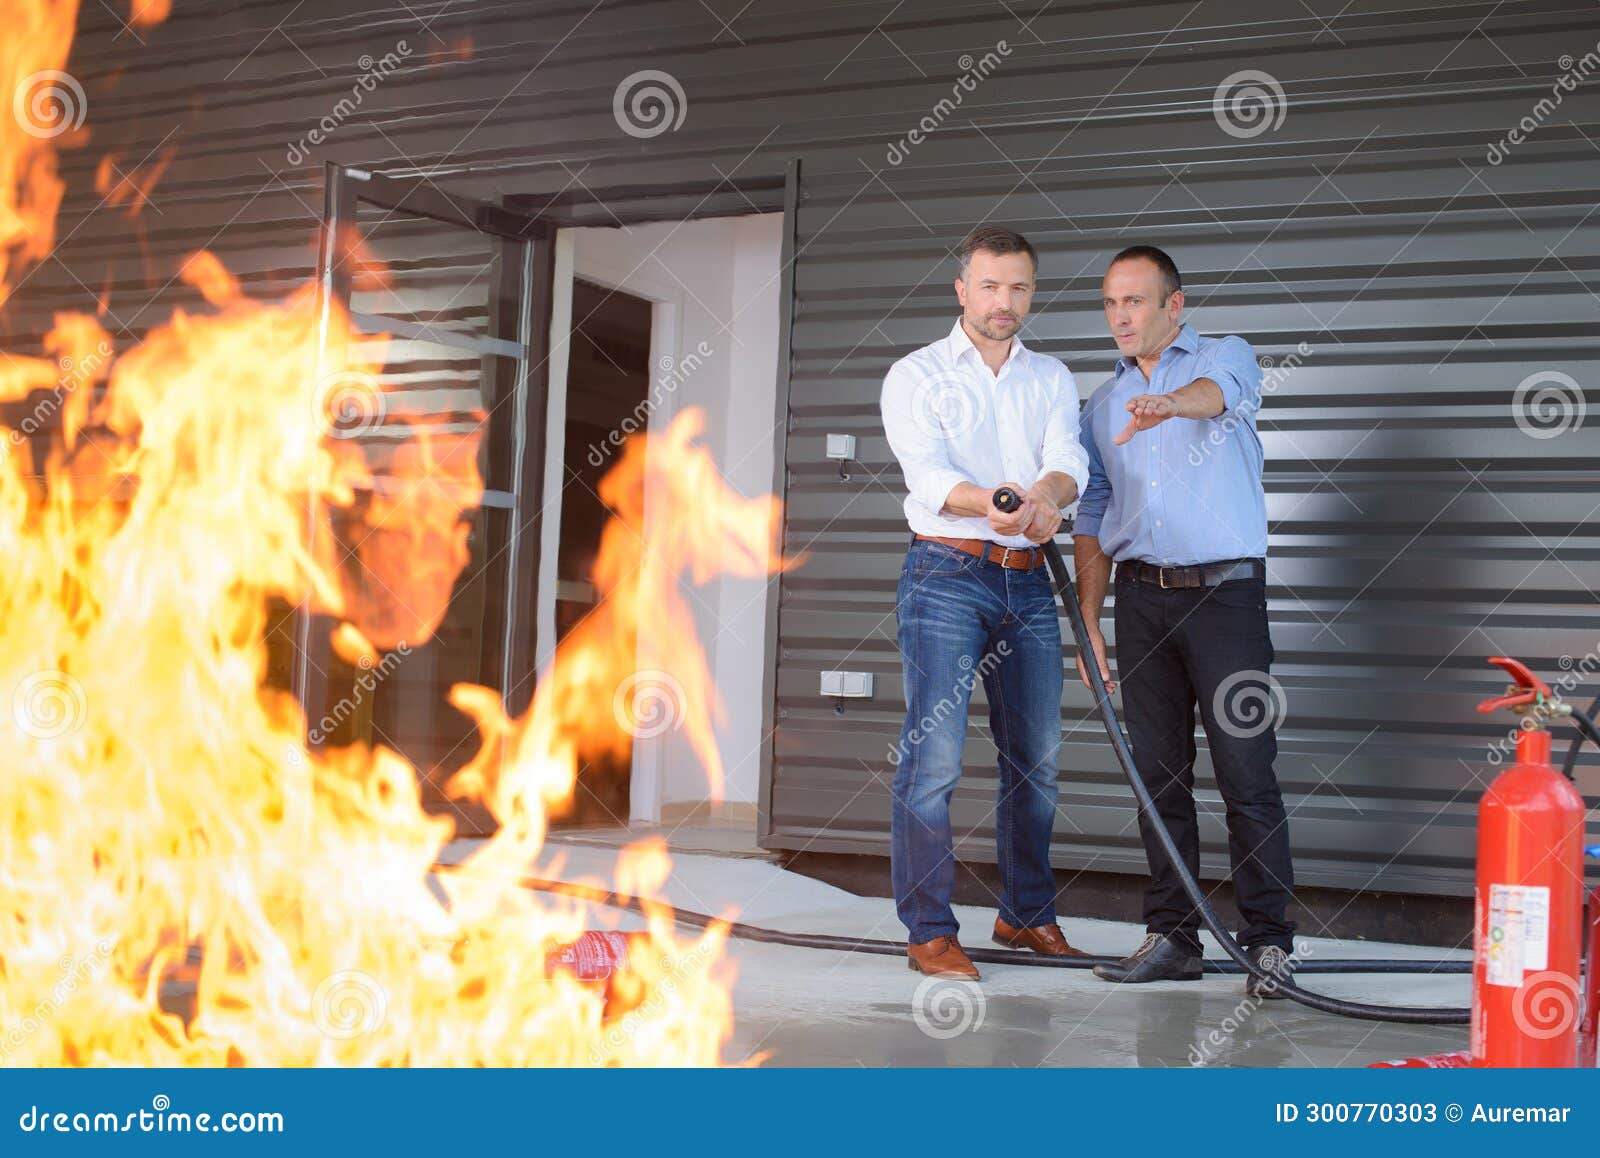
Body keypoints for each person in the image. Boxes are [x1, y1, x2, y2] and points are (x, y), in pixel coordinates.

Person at [1073, 244, 1297, 998]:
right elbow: (1094, 511)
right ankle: (1174, 936)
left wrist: (1168, 404)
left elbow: (1215, 396)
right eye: (1110, 303)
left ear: (1174, 304)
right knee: (1156, 778)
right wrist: (1090, 620)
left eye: (1134, 301)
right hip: (1140, 603)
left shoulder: (1227, 356)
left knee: (1246, 771)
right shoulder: (1100, 407)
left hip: (1225, 599)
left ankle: (1269, 944)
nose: (1120, 317)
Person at [879, 225, 1089, 981]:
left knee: (1037, 761)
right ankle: (929, 930)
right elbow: (928, 475)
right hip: (946, 573)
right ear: (962, 288)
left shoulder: (1051, 377)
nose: (1006, 302)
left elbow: (1069, 462)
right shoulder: (915, 375)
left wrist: (1044, 496)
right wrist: (995, 502)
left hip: (1028, 580)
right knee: (934, 759)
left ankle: (1025, 913)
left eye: (1020, 287)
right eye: (991, 286)